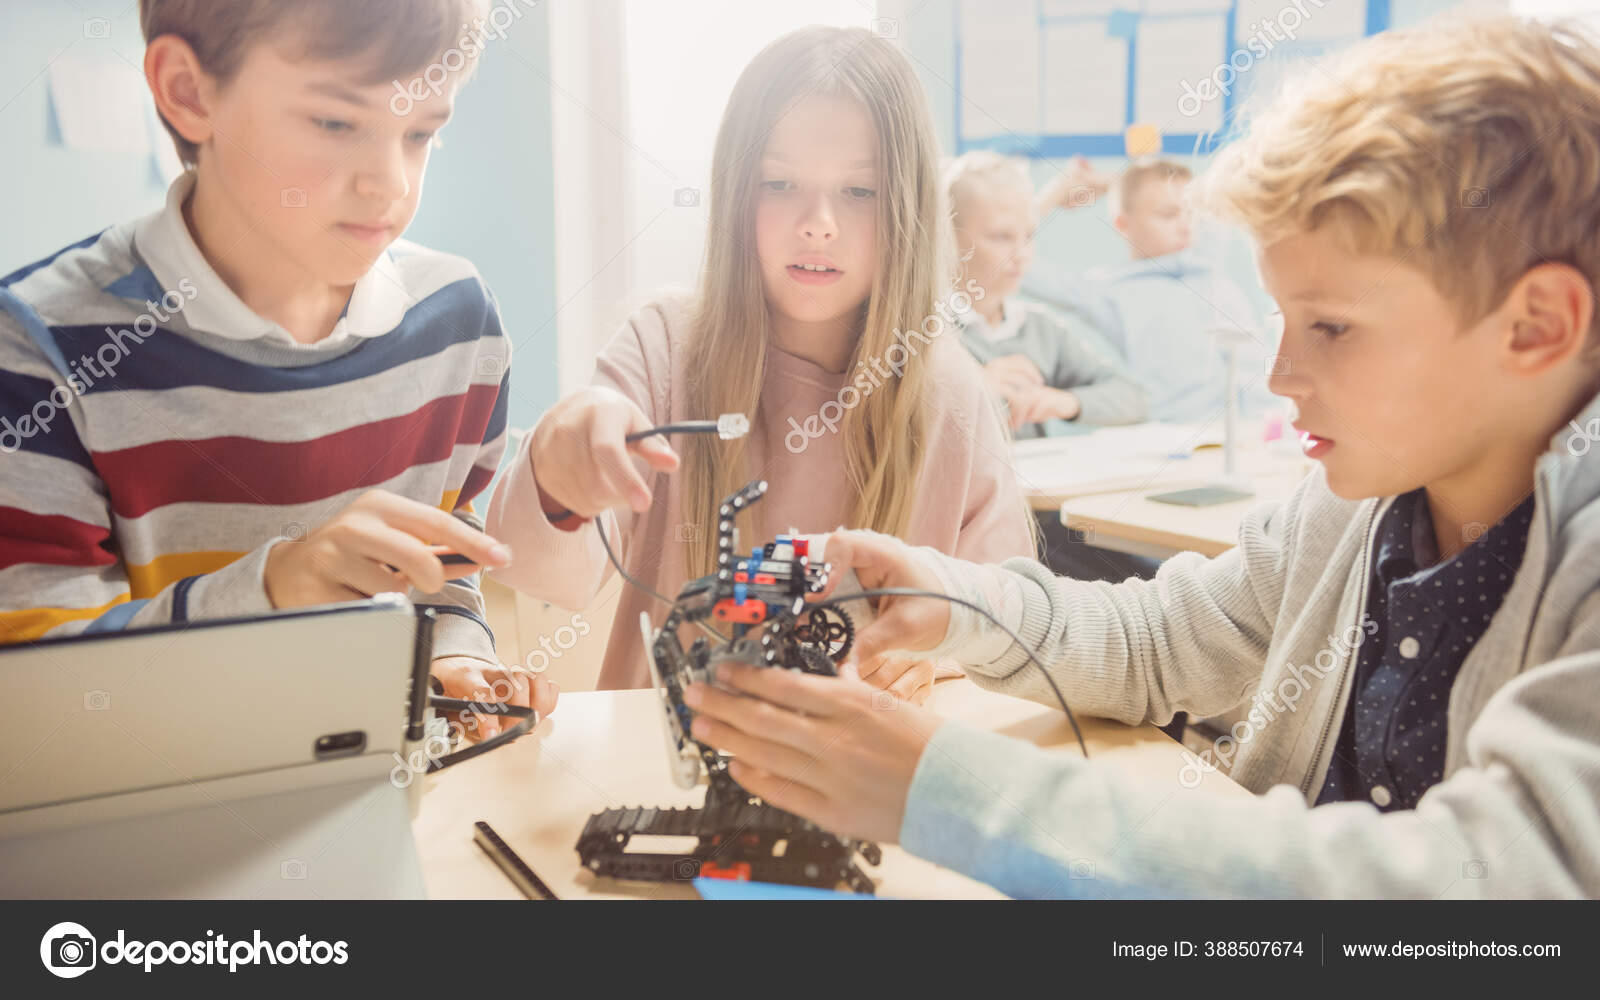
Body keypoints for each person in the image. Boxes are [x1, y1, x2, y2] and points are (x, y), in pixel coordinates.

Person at [680, 16, 1600, 897]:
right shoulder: (1355, 507)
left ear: (1536, 326)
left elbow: (1487, 886)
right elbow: (1159, 639)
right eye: (1283, 320)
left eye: (1331, 327)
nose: (1281, 374)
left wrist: (946, 788)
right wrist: (956, 601)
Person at [0, 0, 557, 735]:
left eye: (421, 133)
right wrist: (271, 590)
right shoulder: (38, 346)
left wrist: (448, 657)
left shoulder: (458, 325)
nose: (390, 183)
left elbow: (438, 566)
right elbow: (41, 702)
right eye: (335, 123)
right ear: (188, 91)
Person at [486, 27, 1035, 705]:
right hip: (667, 761)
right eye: (779, 183)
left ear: (908, 207)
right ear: (736, 192)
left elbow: (1008, 631)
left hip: (873, 762)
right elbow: (541, 575)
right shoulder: (663, 350)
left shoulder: (950, 391)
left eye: (859, 191)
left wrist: (943, 663)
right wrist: (557, 473)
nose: (818, 223)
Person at [945, 151, 1146, 438]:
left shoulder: (1039, 329)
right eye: (1001, 237)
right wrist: (969, 388)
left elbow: (1133, 398)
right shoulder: (920, 334)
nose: (1022, 254)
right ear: (948, 239)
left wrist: (1066, 401)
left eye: (1028, 236)